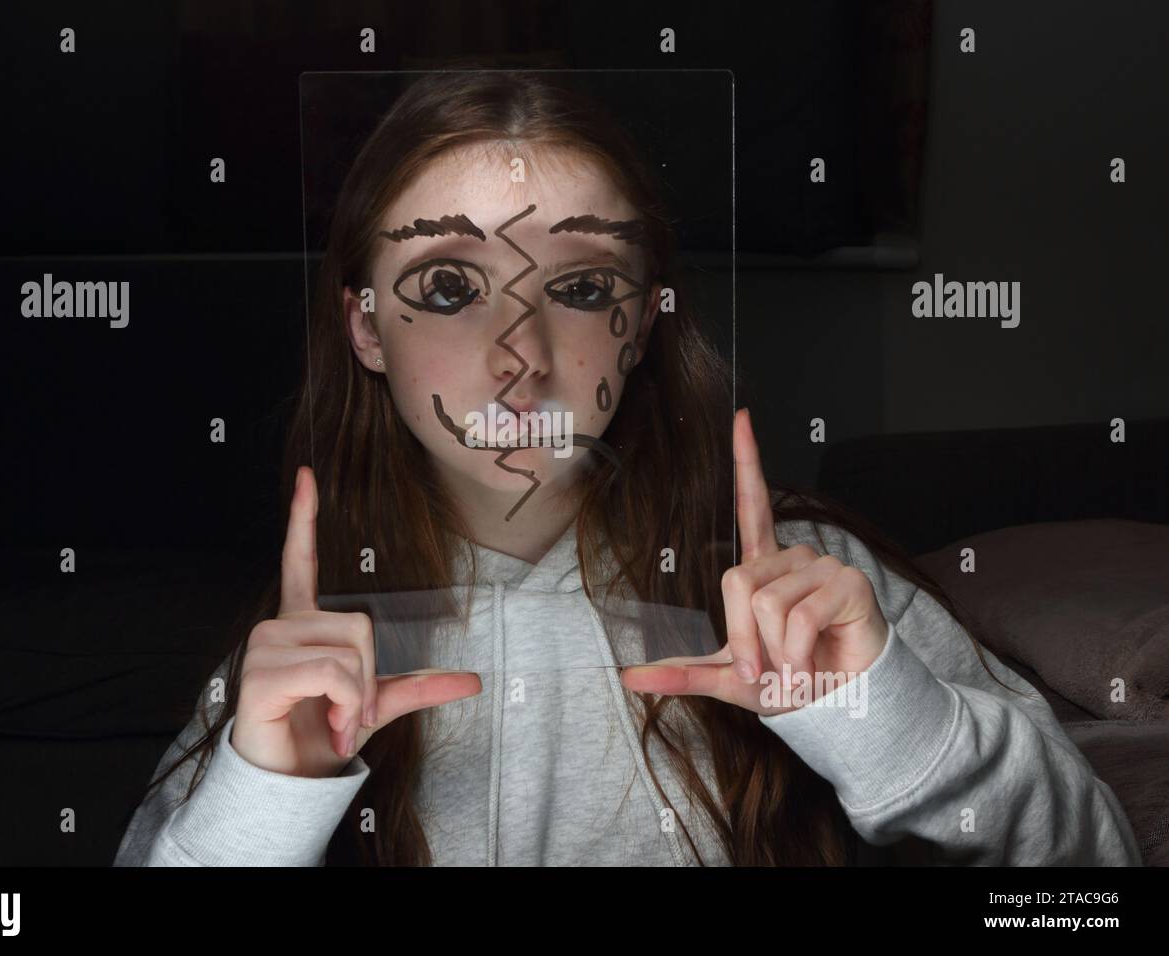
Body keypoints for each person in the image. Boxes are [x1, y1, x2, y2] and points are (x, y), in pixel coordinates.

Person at [114, 71, 1141, 866]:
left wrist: (886, 719)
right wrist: (261, 800)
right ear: (365, 326)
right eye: (446, 282)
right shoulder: (312, 645)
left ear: (643, 325)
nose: (518, 349)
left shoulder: (807, 591)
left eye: (580, 282)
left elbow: (1091, 873)